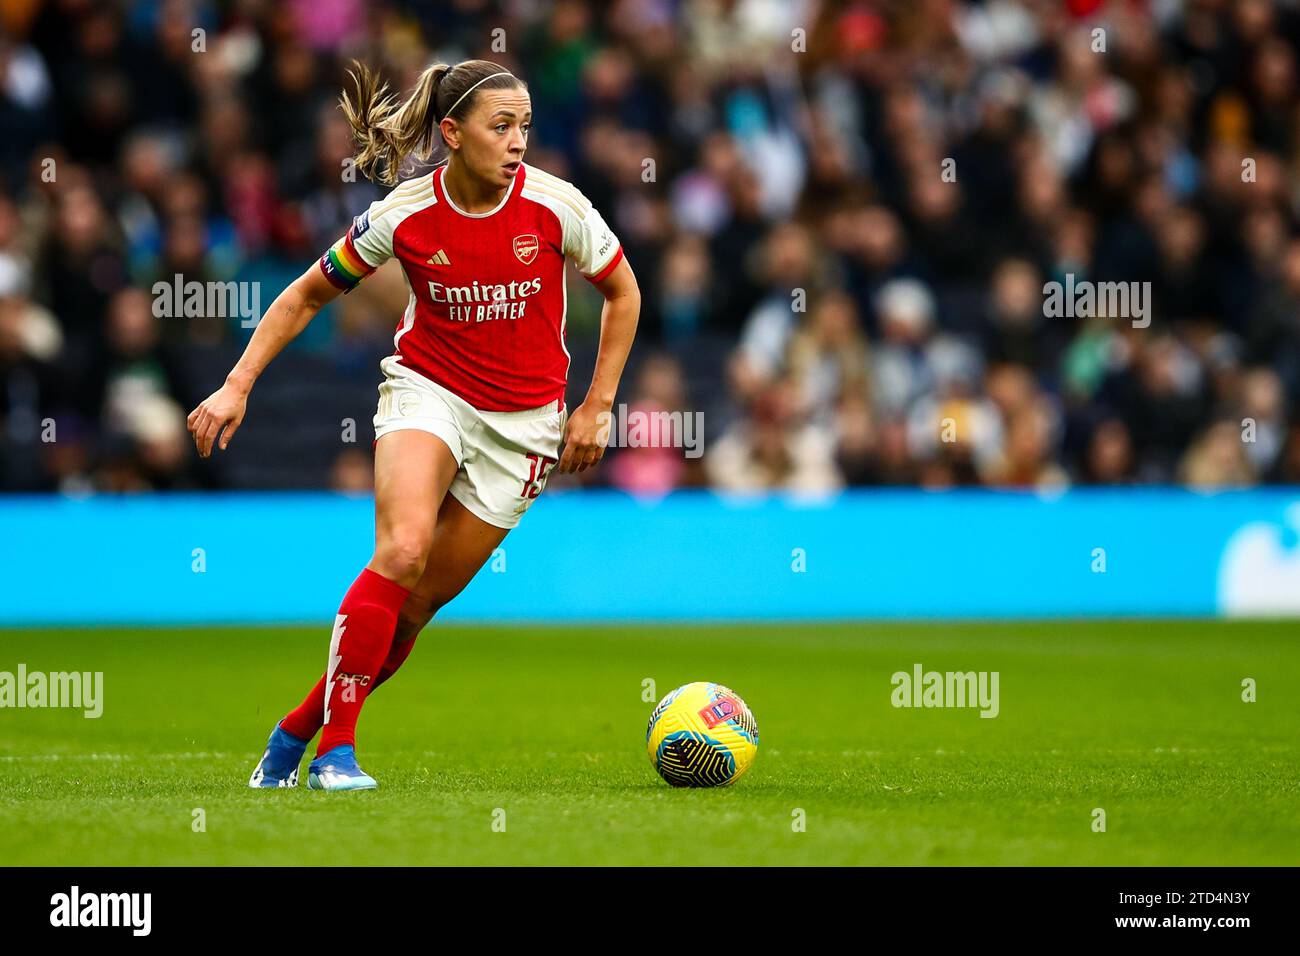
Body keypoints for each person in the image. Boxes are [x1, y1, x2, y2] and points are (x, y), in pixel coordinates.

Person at [186, 59, 640, 790]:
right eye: (501, 126)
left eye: (525, 125)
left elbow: (624, 290)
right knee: (401, 551)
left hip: (525, 426)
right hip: (428, 393)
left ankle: (294, 731)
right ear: (453, 133)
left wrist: (598, 404)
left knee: (413, 607)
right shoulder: (404, 213)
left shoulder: (559, 207)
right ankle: (337, 753)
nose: (519, 141)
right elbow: (304, 297)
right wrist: (236, 385)